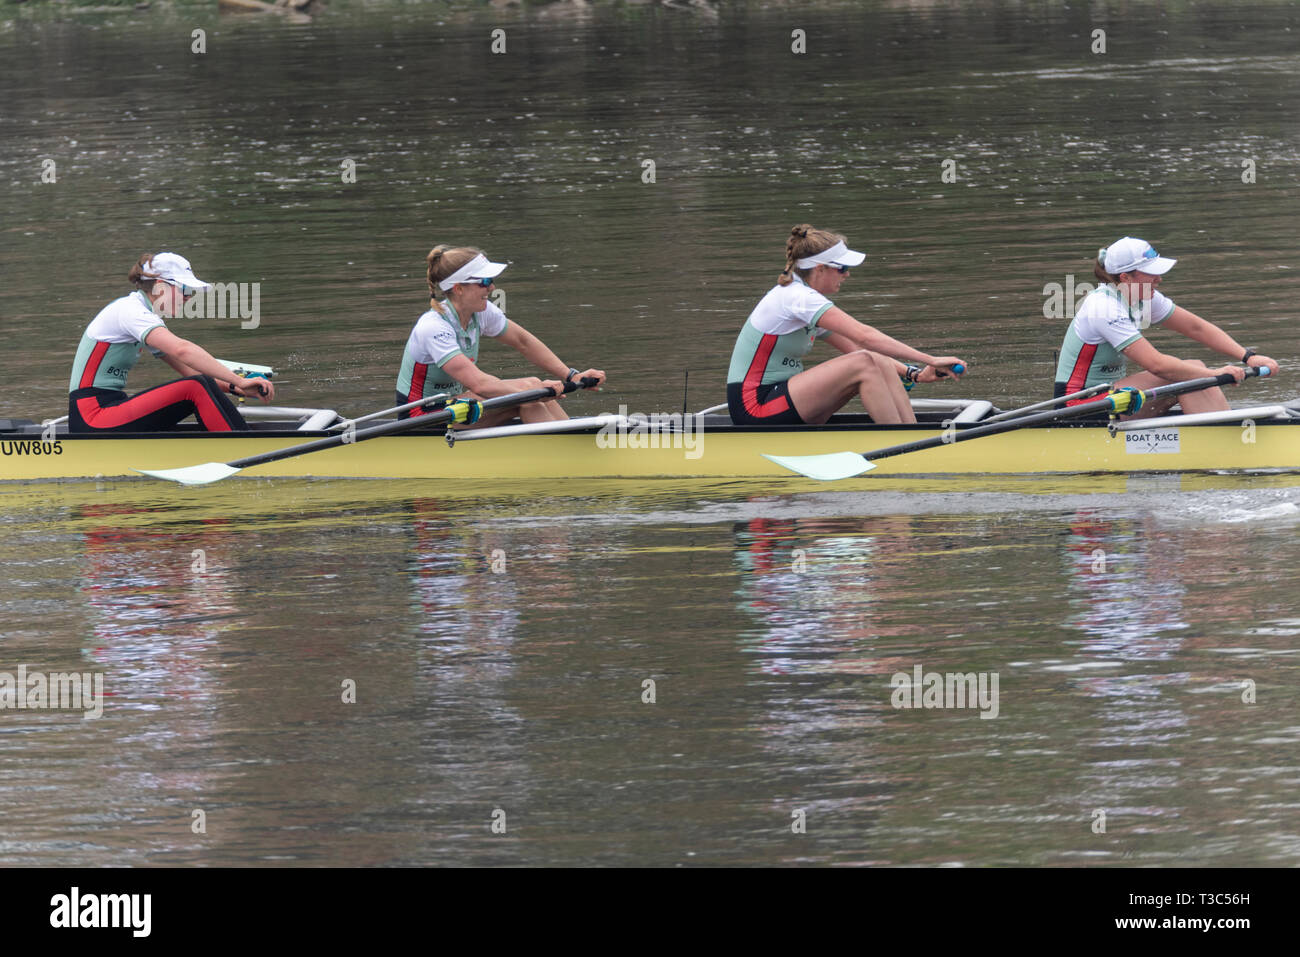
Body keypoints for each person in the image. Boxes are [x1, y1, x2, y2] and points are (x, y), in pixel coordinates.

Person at [726, 225, 967, 426]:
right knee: (865, 362)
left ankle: (910, 433)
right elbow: (864, 337)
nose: (847, 275)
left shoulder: (804, 299)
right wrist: (931, 359)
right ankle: (903, 443)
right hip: (755, 407)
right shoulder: (797, 297)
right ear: (820, 269)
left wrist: (915, 374)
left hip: (779, 400)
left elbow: (856, 347)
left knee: (874, 359)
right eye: (842, 268)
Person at [1054, 236, 1279, 416]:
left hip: (1115, 398)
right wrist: (1213, 373)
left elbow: (1196, 328)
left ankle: (1219, 429)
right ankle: (1226, 440)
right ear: (1125, 277)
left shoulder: (1143, 296)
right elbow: (1158, 365)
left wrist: (1248, 356)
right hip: (1079, 406)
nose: (1159, 278)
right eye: (1151, 273)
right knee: (1189, 372)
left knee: (1193, 369)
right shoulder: (1103, 307)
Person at [395, 245, 605, 427]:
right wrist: (532, 389)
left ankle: (569, 441)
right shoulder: (433, 327)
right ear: (458, 288)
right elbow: (480, 385)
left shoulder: (482, 311)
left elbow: (523, 342)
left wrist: (571, 376)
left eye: (491, 280)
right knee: (530, 394)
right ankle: (564, 456)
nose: (492, 287)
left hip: (458, 405)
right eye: (484, 281)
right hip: (421, 415)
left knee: (532, 385)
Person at [68, 253, 274, 433]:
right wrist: (240, 380)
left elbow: (189, 369)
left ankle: (238, 437)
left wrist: (234, 387)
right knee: (196, 387)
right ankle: (239, 446)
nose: (188, 297)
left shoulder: (145, 315)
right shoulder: (130, 311)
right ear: (159, 287)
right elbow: (183, 350)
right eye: (184, 289)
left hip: (111, 407)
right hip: (92, 415)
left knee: (199, 382)